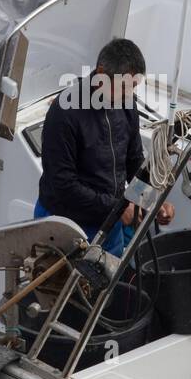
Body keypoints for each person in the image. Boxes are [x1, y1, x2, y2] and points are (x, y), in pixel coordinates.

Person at [35, 38, 174, 256]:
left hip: (109, 225)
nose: (129, 94)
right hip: (65, 228)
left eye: (133, 87)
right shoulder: (65, 113)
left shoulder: (126, 104)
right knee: (65, 290)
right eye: (124, 87)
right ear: (101, 73)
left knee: (111, 289)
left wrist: (152, 201)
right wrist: (118, 208)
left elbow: (134, 161)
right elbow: (63, 185)